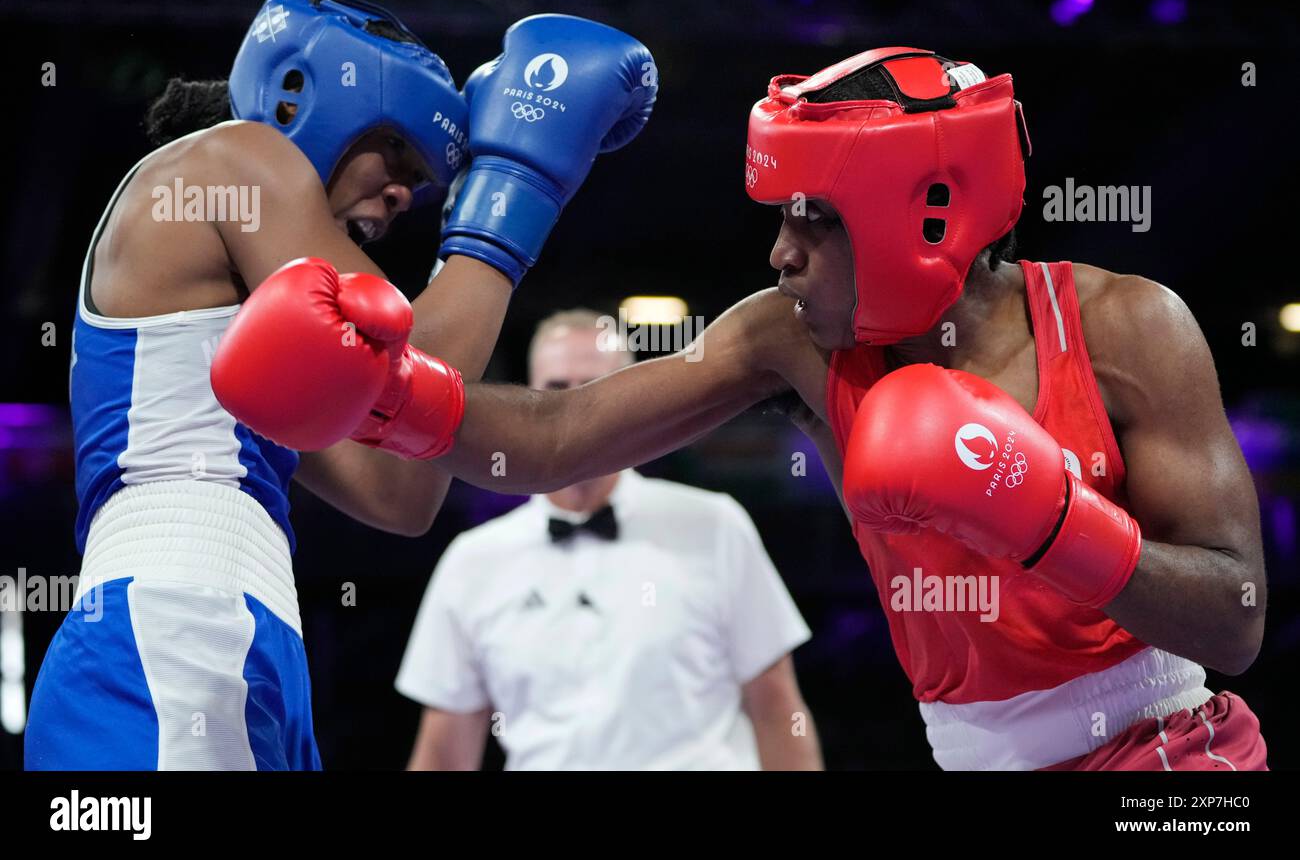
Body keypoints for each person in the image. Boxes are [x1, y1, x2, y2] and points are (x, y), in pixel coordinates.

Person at [215, 48, 1268, 770]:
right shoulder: (792, 337)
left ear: (927, 213)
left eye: (812, 219)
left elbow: (1235, 618)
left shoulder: (1127, 326)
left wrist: (1046, 520)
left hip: (1171, 760)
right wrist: (388, 393)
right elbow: (551, 440)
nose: (780, 252)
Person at [25, 0, 655, 770]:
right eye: (396, 153)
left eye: (420, 184)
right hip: (172, 626)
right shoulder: (237, 159)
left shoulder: (273, 350)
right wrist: (515, 189)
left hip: (241, 637)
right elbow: (422, 364)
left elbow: (403, 488)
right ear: (300, 93)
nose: (401, 194)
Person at [396, 310, 819, 770]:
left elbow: (777, 710)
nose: (572, 409)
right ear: (527, 399)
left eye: (592, 389)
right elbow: (443, 754)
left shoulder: (714, 524)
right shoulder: (472, 561)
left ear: (631, 399)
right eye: (556, 390)